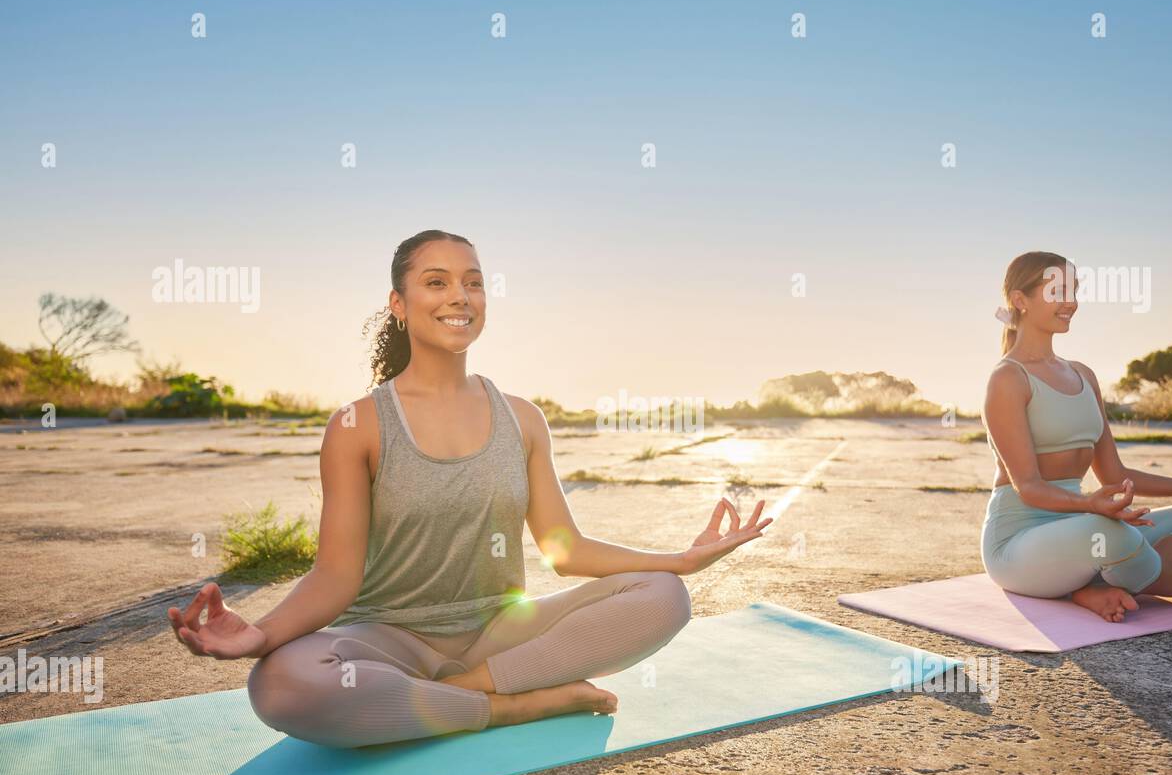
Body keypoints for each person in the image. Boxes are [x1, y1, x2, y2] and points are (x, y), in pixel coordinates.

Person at [169, 229, 771, 747]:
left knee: (663, 597)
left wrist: (681, 561)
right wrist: (262, 634)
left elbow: (566, 552)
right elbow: (335, 576)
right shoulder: (357, 425)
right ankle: (515, 704)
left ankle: (456, 694)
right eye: (437, 282)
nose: (460, 295)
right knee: (279, 684)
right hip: (387, 641)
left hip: (502, 632)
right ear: (398, 303)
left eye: (474, 282)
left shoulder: (522, 418)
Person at [980, 251, 1172, 622]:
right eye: (1057, 290)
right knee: (1111, 533)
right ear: (1020, 300)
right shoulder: (1007, 379)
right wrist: (1091, 506)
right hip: (1018, 546)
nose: (1070, 302)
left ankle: (1093, 585)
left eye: (1074, 290)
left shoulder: (1083, 375)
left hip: (1085, 529)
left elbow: (1114, 476)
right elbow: (1028, 487)